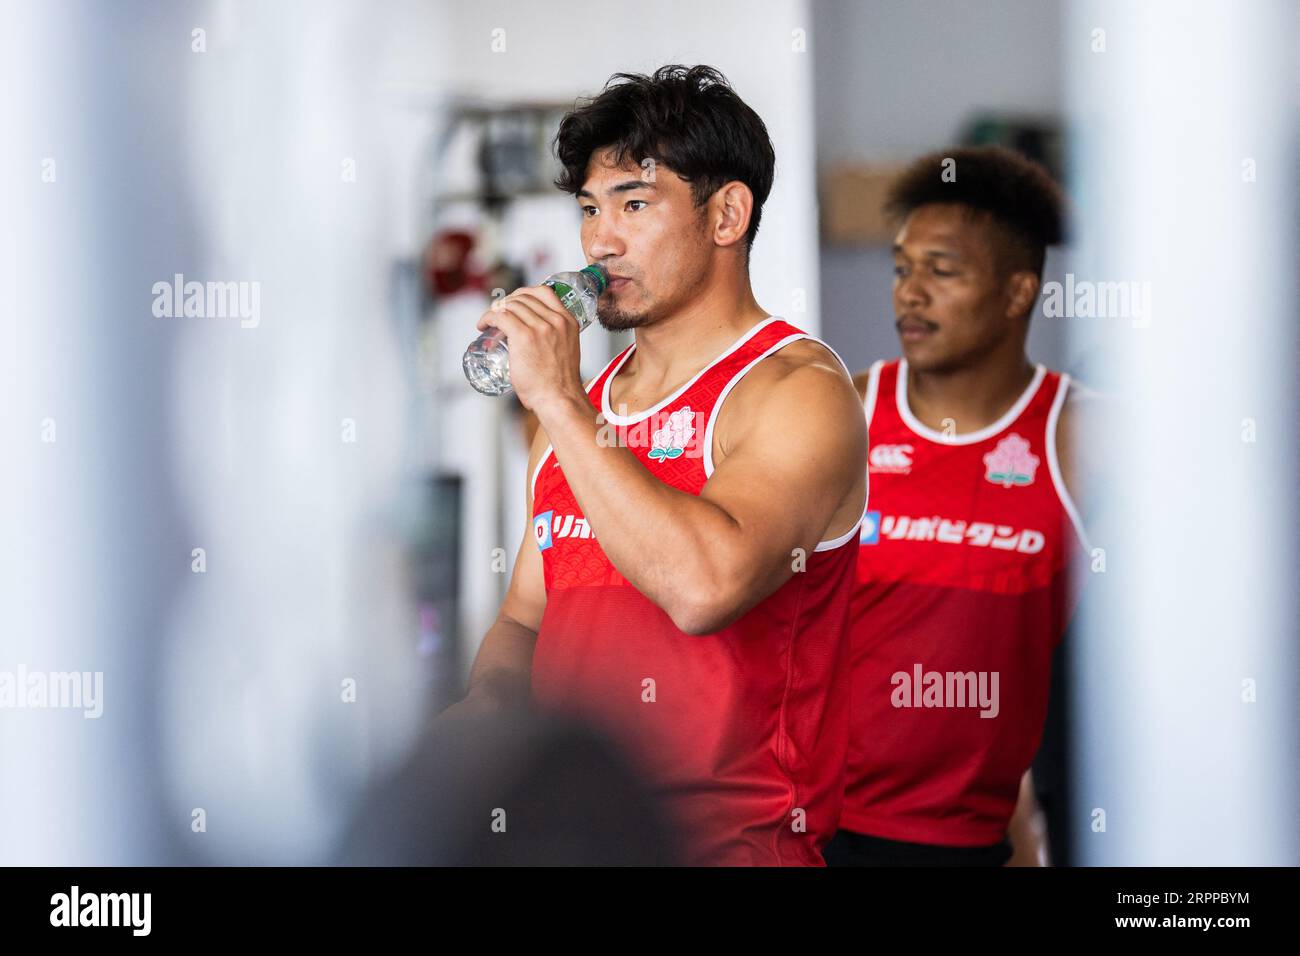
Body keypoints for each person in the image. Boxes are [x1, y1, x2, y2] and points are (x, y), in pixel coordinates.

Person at [446, 65, 867, 866]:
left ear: (726, 215)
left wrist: (562, 405)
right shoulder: (581, 407)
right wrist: (487, 711)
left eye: (635, 203)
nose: (601, 240)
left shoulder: (797, 391)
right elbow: (525, 618)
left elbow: (703, 588)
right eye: (590, 209)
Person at [826, 146, 1094, 867]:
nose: (910, 294)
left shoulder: (1081, 436)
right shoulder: (846, 409)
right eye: (901, 268)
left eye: (942, 271)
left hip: (978, 842)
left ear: (1017, 293)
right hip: (821, 827)